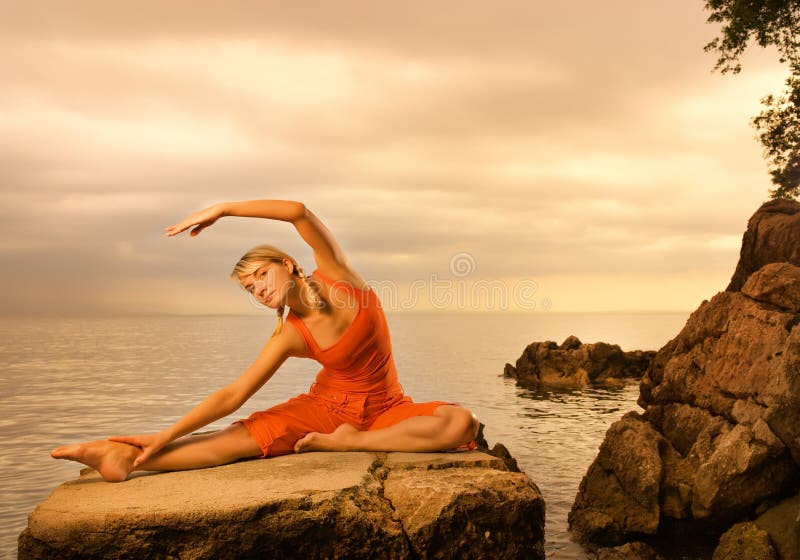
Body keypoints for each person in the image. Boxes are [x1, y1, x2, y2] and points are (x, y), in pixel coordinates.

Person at [51, 199, 480, 482]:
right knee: (237, 442)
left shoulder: (339, 276)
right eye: (249, 289)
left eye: (261, 274)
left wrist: (223, 209)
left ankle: (352, 443)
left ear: (288, 264)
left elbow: (298, 212)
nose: (258, 289)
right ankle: (123, 459)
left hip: (389, 409)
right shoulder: (290, 335)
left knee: (462, 422)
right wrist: (163, 435)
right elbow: (232, 394)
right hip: (326, 410)